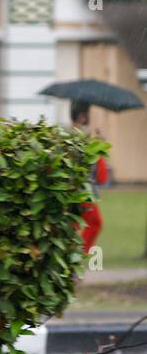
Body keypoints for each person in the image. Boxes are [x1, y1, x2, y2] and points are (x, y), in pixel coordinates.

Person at [70, 101, 109, 254]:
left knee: (71, 227)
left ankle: (71, 259)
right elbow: (101, 177)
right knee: (95, 223)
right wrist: (101, 147)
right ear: (82, 116)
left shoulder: (65, 134)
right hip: (84, 193)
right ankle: (78, 256)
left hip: (70, 192)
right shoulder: (85, 138)